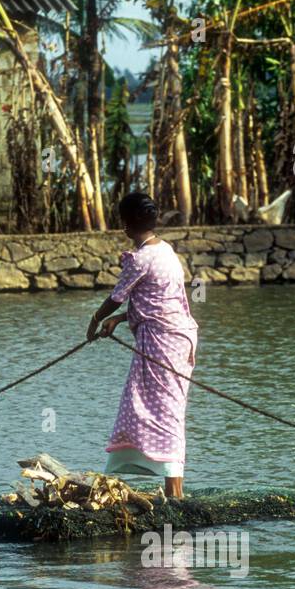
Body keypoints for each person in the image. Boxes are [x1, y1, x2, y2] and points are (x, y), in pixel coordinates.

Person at [86, 192, 198, 498]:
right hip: (175, 336)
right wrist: (122, 320)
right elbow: (157, 301)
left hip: (164, 342)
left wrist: (96, 319)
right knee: (145, 406)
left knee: (165, 411)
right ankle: (168, 485)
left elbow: (116, 296)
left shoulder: (142, 258)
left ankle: (175, 492)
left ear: (128, 223)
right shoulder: (164, 250)